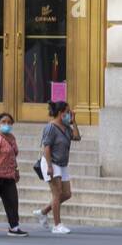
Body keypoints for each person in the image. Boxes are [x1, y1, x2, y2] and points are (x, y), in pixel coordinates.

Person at [35, 100, 80, 235]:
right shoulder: (51, 127)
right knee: (57, 193)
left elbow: (77, 137)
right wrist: (49, 166)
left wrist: (73, 122)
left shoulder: (66, 127)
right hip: (51, 162)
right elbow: (47, 147)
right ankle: (57, 225)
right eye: (67, 112)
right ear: (60, 113)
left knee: (67, 194)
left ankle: (43, 212)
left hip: (62, 163)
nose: (69, 114)